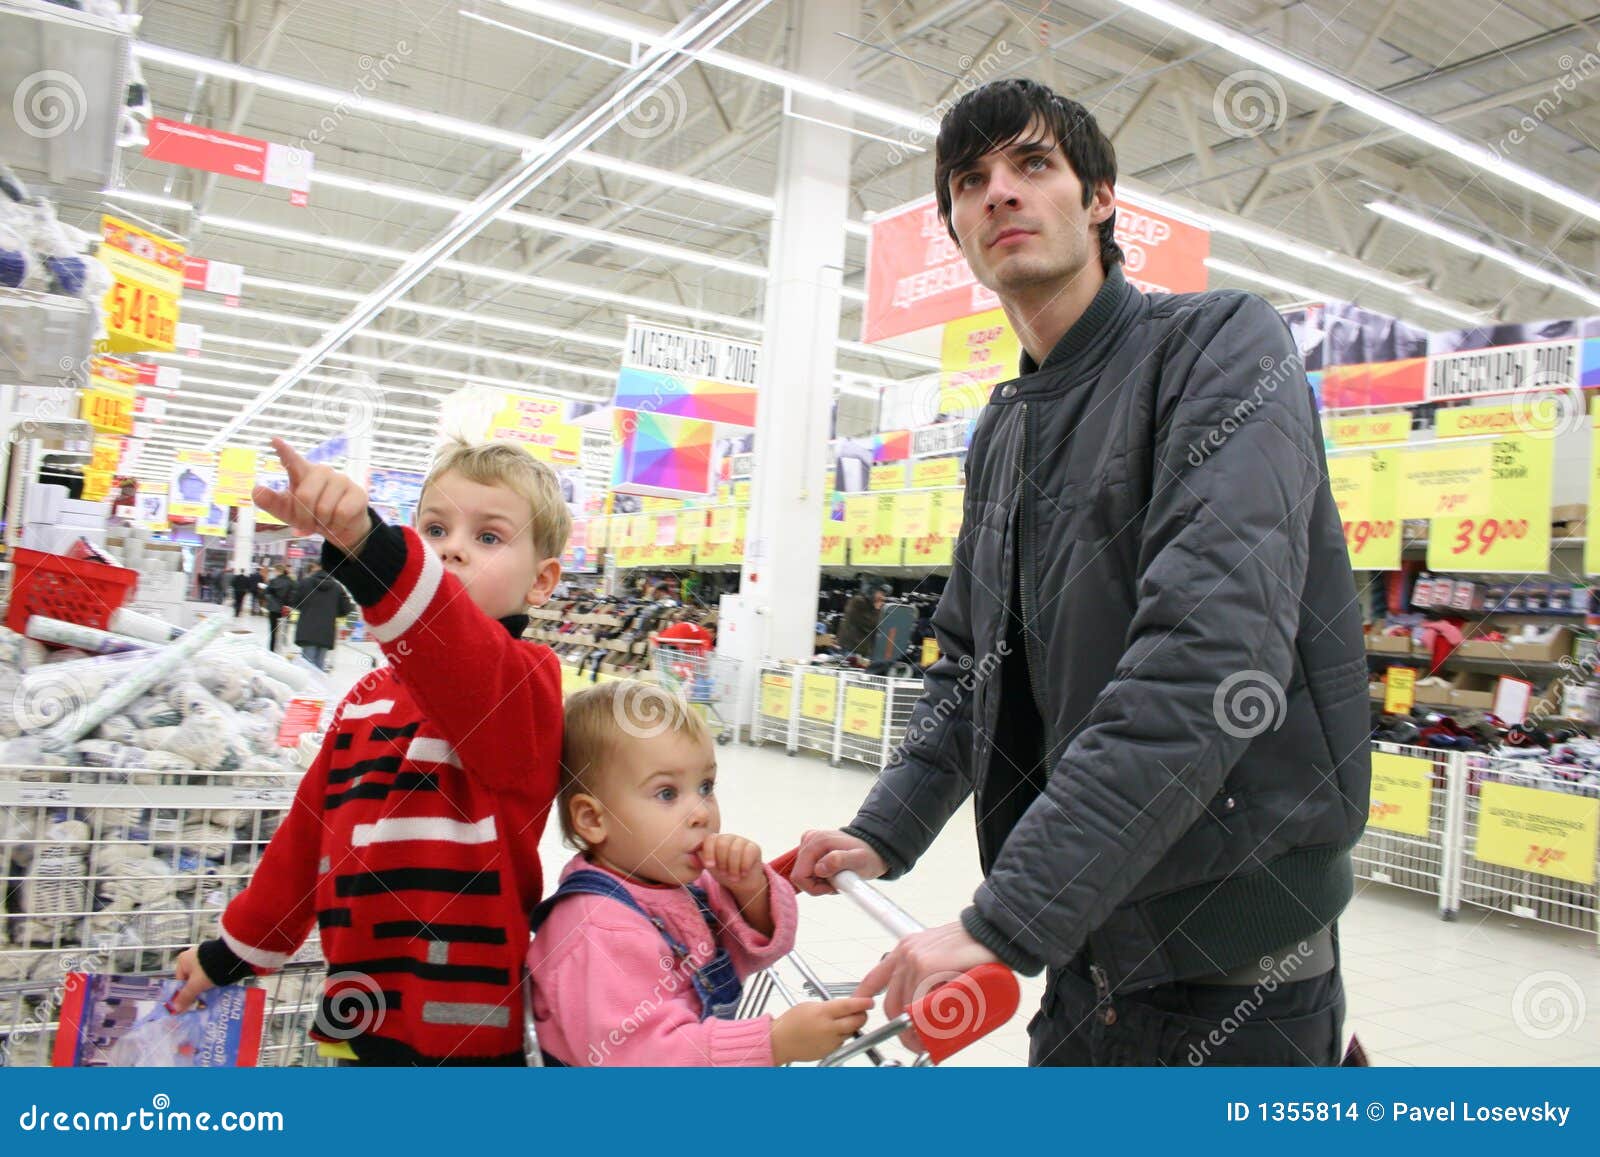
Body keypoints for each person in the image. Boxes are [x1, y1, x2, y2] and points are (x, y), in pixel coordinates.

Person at [793, 79, 1370, 1068]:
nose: (998, 195)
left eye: (1031, 165)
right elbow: (971, 667)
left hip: (1235, 981)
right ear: (956, 231)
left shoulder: (1220, 348)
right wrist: (882, 831)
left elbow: (1206, 657)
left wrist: (1003, 917)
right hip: (1083, 960)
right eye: (969, 181)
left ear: (1099, 195)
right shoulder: (1004, 430)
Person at [171, 436, 571, 1065]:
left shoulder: (525, 683)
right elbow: (309, 833)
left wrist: (367, 546)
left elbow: (460, 657)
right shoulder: (366, 698)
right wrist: (234, 949)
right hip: (354, 1001)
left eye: (489, 538)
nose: (452, 548)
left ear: (542, 581)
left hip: (460, 1020)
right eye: (434, 528)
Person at [527, 681, 871, 1066]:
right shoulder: (599, 929)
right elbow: (639, 1059)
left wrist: (748, 888)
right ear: (593, 819)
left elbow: (755, 948)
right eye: (667, 793)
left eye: (705, 786)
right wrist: (771, 1043)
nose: (701, 812)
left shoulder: (678, 884)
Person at [288, 562, 352, 673]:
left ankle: (308, 690)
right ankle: (318, 690)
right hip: (326, 632)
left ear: (316, 567)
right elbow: (347, 608)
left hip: (307, 630)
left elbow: (293, 601)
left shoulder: (305, 583)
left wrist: (306, 608)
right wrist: (332, 613)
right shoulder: (337, 587)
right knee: (319, 667)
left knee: (307, 666)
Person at [834, 584, 886, 658]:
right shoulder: (859, 602)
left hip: (857, 647)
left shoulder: (865, 603)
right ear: (873, 592)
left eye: (883, 594)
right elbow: (870, 624)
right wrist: (877, 610)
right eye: (880, 593)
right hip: (852, 647)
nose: (882, 597)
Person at [263, 565, 296, 653]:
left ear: (277, 571)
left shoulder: (273, 581)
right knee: (284, 630)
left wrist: (271, 602)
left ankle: (272, 651)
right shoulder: (291, 582)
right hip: (285, 610)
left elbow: (265, 593)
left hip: (273, 610)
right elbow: (293, 596)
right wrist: (288, 605)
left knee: (273, 631)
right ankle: (282, 650)